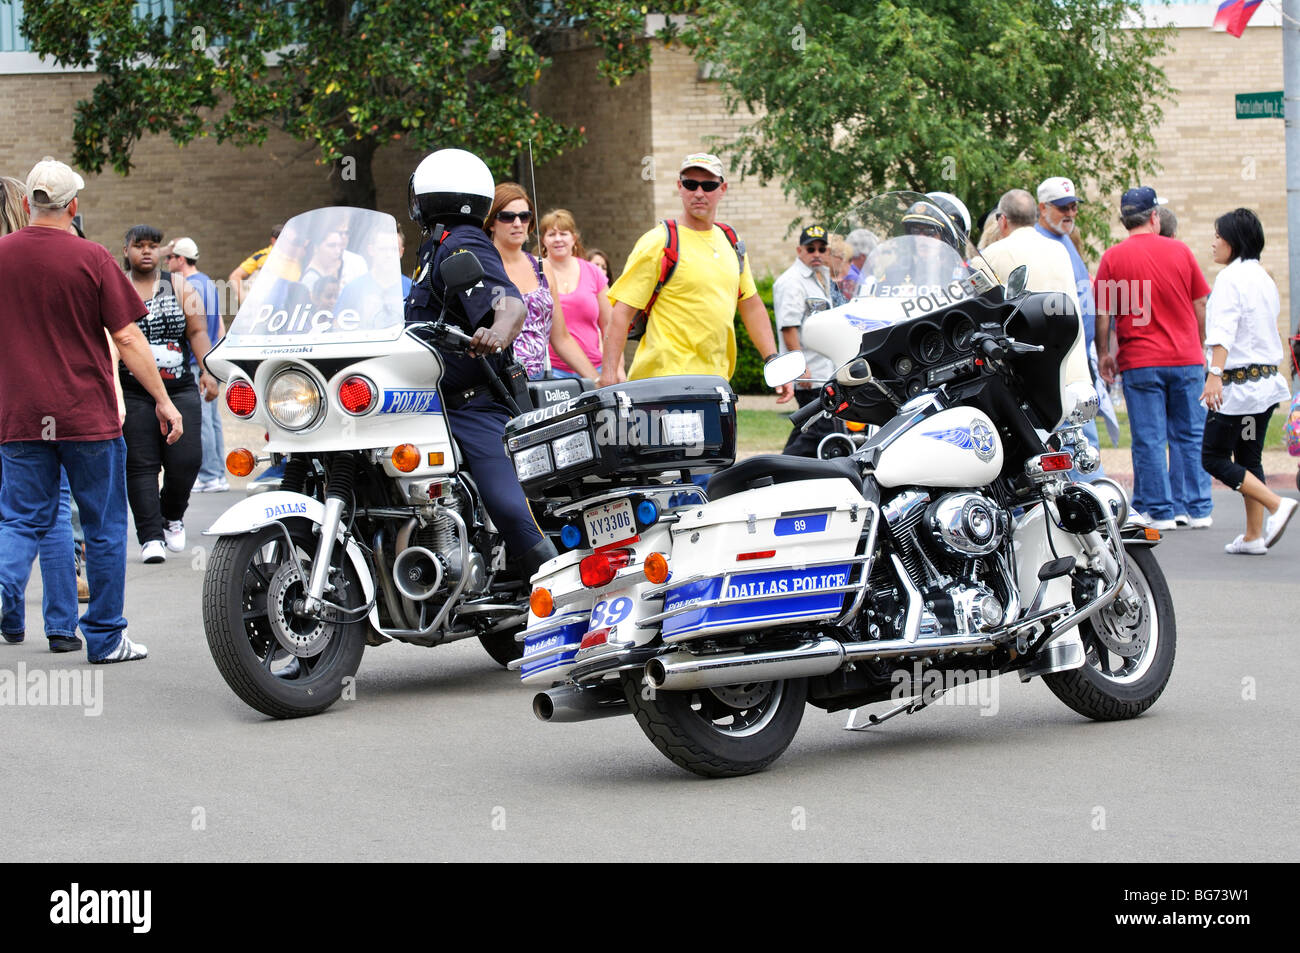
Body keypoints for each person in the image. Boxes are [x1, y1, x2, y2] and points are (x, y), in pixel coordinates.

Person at [0, 156, 183, 663]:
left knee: (21, 519)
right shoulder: (93, 258)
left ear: (26, 203)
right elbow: (126, 336)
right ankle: (104, 638)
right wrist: (164, 401)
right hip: (86, 416)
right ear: (73, 205)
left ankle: (4, 589)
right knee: (102, 528)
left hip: (19, 416)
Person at [404, 148, 557, 577]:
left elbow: (508, 302)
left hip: (471, 404)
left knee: (508, 505)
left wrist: (497, 333)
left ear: (427, 197)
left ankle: (557, 590)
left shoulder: (462, 243)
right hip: (430, 402)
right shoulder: (433, 249)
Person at [601, 152, 792, 402]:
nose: (699, 193)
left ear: (722, 189)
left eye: (709, 185)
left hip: (716, 385)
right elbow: (621, 313)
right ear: (679, 187)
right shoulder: (658, 242)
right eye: (691, 184)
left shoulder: (731, 241)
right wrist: (608, 375)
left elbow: (751, 305)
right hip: (663, 383)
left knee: (717, 443)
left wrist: (774, 362)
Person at [1095, 186, 1213, 531]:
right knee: (1189, 434)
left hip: (1140, 359)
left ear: (1124, 219)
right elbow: (1200, 303)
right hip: (1186, 358)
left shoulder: (1113, 258)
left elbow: (1103, 311)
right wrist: (1200, 344)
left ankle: (1160, 511)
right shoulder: (1181, 251)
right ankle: (1196, 507)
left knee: (1149, 437)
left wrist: (1104, 353)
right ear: (1154, 216)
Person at [0, 175, 82, 649]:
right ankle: (59, 626)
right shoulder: (56, 252)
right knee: (49, 511)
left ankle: (12, 618)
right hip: (42, 402)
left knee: (13, 514)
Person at [1199, 208, 1297, 553]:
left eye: (1217, 236)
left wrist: (1214, 376)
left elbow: (1224, 330)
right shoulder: (1263, 277)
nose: (1213, 243)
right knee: (1248, 456)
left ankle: (1275, 504)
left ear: (1234, 241)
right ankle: (1254, 536)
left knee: (1212, 456)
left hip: (1237, 388)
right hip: (1265, 387)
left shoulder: (1230, 279)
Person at [121, 224, 217, 563]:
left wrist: (207, 370)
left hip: (178, 386)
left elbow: (198, 331)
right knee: (141, 464)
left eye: (154, 246)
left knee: (187, 458)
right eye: (139, 245)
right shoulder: (119, 288)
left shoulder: (178, 286)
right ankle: (149, 537)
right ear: (126, 251)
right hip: (134, 391)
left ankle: (171, 515)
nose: (147, 251)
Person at [486, 184, 596, 381]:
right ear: (492, 222)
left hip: (539, 379)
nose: (518, 223)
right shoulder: (484, 267)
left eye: (524, 216)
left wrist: (597, 381)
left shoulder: (542, 267)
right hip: (497, 380)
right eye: (507, 217)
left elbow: (561, 339)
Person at [1035, 176, 1107, 458]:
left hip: (1080, 356)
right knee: (1073, 439)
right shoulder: (1041, 243)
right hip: (1061, 361)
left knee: (1085, 437)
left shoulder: (1065, 240)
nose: (1071, 213)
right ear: (1043, 208)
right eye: (1063, 207)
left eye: (1074, 206)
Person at [166, 237, 228, 493]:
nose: (166, 261)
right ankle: (218, 474)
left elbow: (193, 328)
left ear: (180, 259)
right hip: (212, 357)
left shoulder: (189, 286)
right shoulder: (208, 283)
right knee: (212, 419)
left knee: (200, 419)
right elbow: (221, 325)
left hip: (195, 361)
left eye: (169, 257)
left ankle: (210, 475)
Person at [774, 225, 838, 456]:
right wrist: (800, 366)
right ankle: (783, 472)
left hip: (825, 371)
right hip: (810, 373)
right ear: (799, 250)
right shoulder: (792, 281)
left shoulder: (822, 277)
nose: (817, 253)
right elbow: (788, 327)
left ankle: (781, 469)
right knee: (821, 429)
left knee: (809, 426)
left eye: (822, 248)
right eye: (811, 249)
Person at [540, 208, 612, 381]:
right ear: (543, 240)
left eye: (563, 233)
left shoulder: (593, 271)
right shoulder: (536, 272)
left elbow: (610, 324)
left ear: (574, 238)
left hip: (597, 368)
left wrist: (615, 368)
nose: (558, 239)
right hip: (551, 373)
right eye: (551, 234)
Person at [228, 223, 282, 304]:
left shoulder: (298, 256)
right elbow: (235, 276)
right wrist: (245, 303)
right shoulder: (262, 256)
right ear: (273, 240)